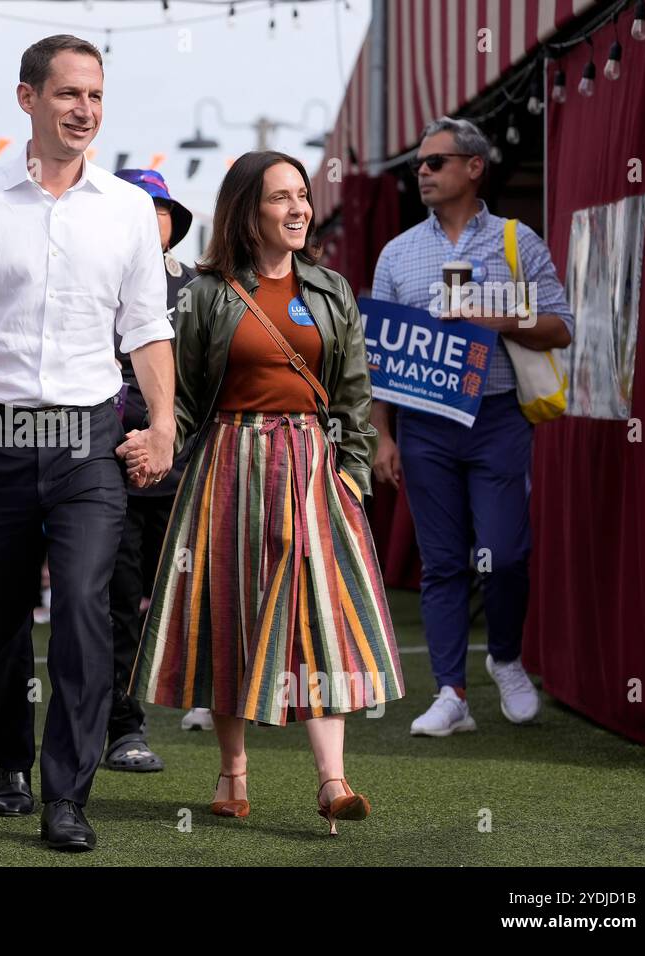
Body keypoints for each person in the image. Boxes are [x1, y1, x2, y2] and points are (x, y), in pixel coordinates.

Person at [0, 34, 176, 852]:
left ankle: (68, 795)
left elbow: (146, 327)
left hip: (89, 443)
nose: (86, 111)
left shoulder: (129, 208)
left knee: (85, 610)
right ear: (27, 98)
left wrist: (163, 422)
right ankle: (10, 763)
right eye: (69, 94)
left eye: (96, 96)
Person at [130, 151, 405, 835]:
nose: (299, 209)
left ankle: (333, 780)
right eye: (281, 197)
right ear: (247, 211)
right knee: (229, 613)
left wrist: (351, 475)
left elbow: (353, 393)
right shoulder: (204, 292)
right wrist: (157, 443)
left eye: (303, 196)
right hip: (229, 462)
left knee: (323, 622)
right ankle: (232, 771)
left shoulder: (332, 288)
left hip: (313, 468)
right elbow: (187, 398)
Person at [370, 117, 573, 737]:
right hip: (425, 422)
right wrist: (382, 436)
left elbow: (561, 326)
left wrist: (497, 313)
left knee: (504, 555)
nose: (423, 173)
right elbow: (376, 357)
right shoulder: (398, 252)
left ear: (474, 166)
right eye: (418, 166)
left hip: (498, 417)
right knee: (441, 563)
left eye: (435, 162)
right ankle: (451, 692)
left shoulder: (517, 239)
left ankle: (505, 657)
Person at [103, 168, 198, 772]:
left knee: (197, 594)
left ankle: (214, 705)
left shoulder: (199, 287)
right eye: (136, 206)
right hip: (103, 466)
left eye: (158, 208)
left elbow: (214, 379)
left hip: (184, 466)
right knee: (114, 602)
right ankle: (122, 725)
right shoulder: (87, 278)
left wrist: (173, 438)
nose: (147, 217)